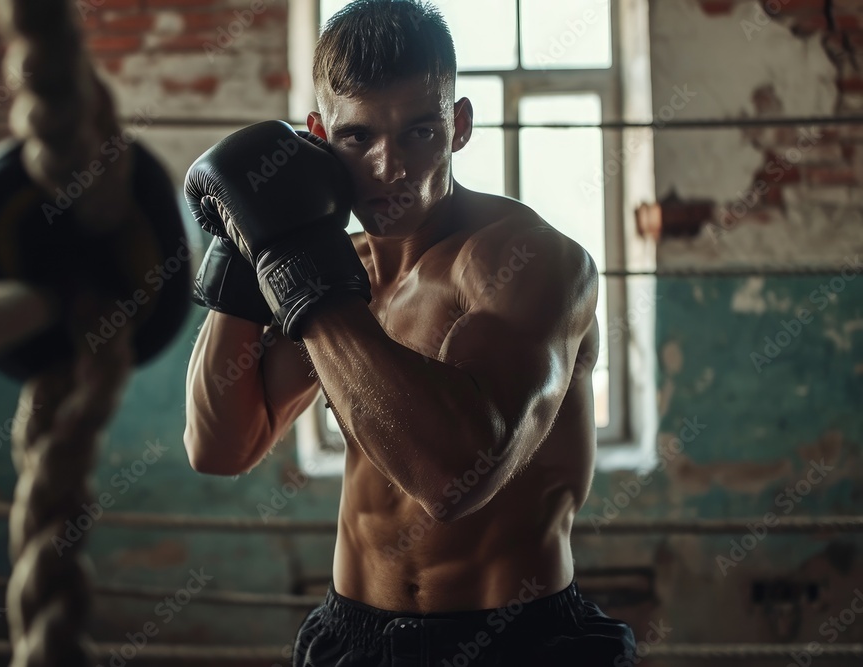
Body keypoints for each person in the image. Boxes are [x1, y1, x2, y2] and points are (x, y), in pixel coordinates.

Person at [183, 1, 637, 664]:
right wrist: (242, 253)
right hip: (351, 633)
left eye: (419, 132)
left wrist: (303, 282)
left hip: (516, 643)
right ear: (318, 135)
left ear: (458, 125)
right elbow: (219, 446)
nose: (389, 166)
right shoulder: (342, 274)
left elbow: (456, 476)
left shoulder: (530, 264)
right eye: (358, 137)